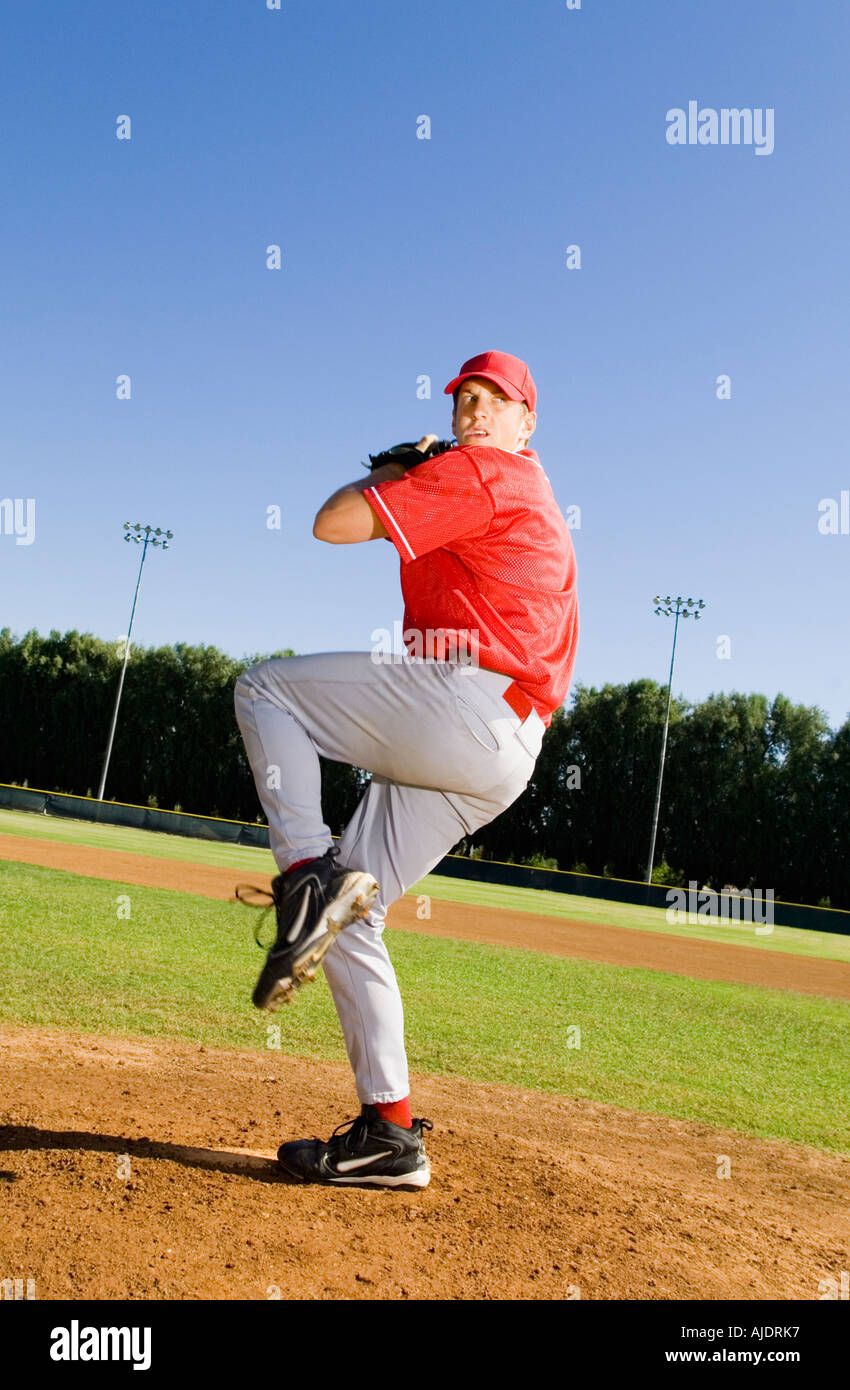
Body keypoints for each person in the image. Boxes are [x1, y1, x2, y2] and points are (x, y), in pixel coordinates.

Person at [234, 349, 579, 1189]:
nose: (475, 411)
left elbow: (332, 521)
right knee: (358, 914)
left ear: (527, 423)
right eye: (465, 398)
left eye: (496, 400)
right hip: (500, 748)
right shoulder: (499, 482)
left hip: (471, 706)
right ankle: (390, 1134)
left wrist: (395, 467)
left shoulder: (488, 470)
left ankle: (306, 874)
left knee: (265, 690)